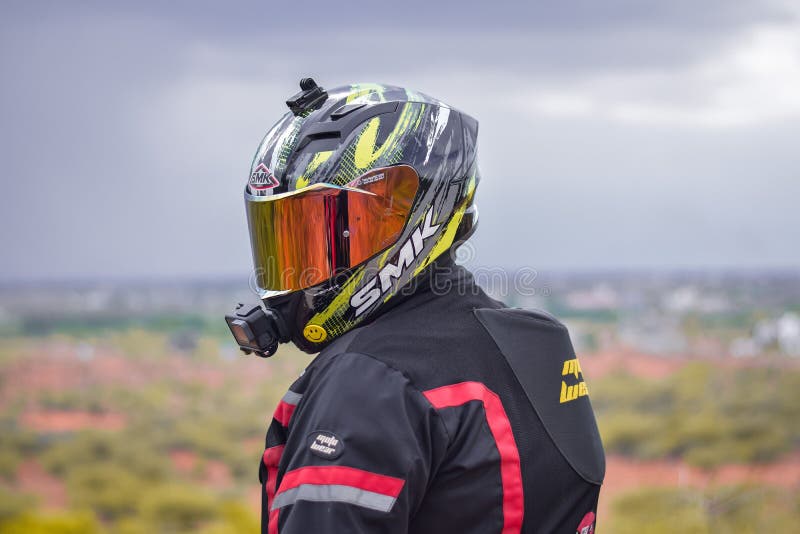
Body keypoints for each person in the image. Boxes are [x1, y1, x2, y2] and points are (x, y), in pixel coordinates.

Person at [236, 79, 605, 534]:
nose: (299, 266)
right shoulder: (540, 345)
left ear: (406, 216)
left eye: (325, 232)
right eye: (287, 239)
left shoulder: (367, 380)